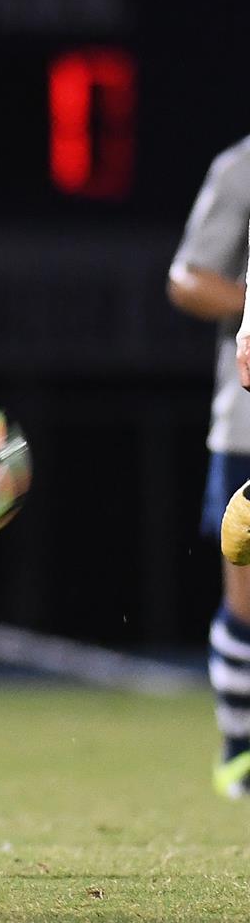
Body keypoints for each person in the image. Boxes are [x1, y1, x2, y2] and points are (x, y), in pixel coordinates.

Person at [166, 134, 250, 800]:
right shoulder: (243, 166)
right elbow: (188, 277)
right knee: (247, 597)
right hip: (249, 423)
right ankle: (241, 750)